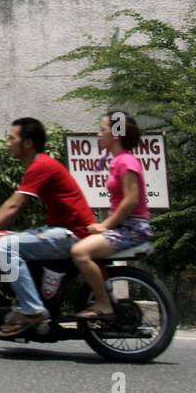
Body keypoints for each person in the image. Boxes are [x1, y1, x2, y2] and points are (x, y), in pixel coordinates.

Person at [0, 116, 97, 337]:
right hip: (65, 231)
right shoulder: (39, 164)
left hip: (72, 234)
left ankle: (32, 311)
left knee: (6, 246)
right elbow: (10, 205)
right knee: (12, 238)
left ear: (27, 143)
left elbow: (14, 206)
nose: (7, 143)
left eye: (11, 138)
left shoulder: (41, 165)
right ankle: (27, 303)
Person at [71, 111, 152, 320]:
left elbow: (131, 200)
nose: (98, 134)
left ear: (116, 134)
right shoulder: (118, 161)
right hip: (124, 226)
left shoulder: (126, 161)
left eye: (102, 129)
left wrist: (105, 225)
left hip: (132, 228)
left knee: (79, 252)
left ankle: (104, 304)